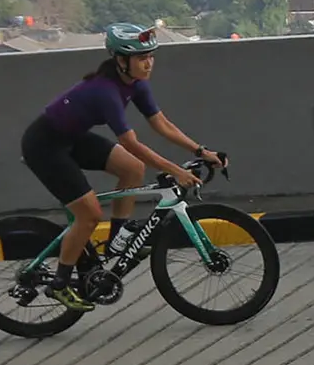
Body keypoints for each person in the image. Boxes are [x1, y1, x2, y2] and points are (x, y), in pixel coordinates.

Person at [21, 24, 220, 311]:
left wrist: (201, 150)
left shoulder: (136, 84)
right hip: (44, 146)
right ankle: (60, 284)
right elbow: (131, 142)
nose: (149, 63)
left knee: (132, 169)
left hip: (72, 139)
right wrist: (175, 169)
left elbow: (162, 124)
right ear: (121, 61)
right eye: (141, 58)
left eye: (151, 56)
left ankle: (117, 238)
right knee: (88, 215)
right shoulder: (105, 91)